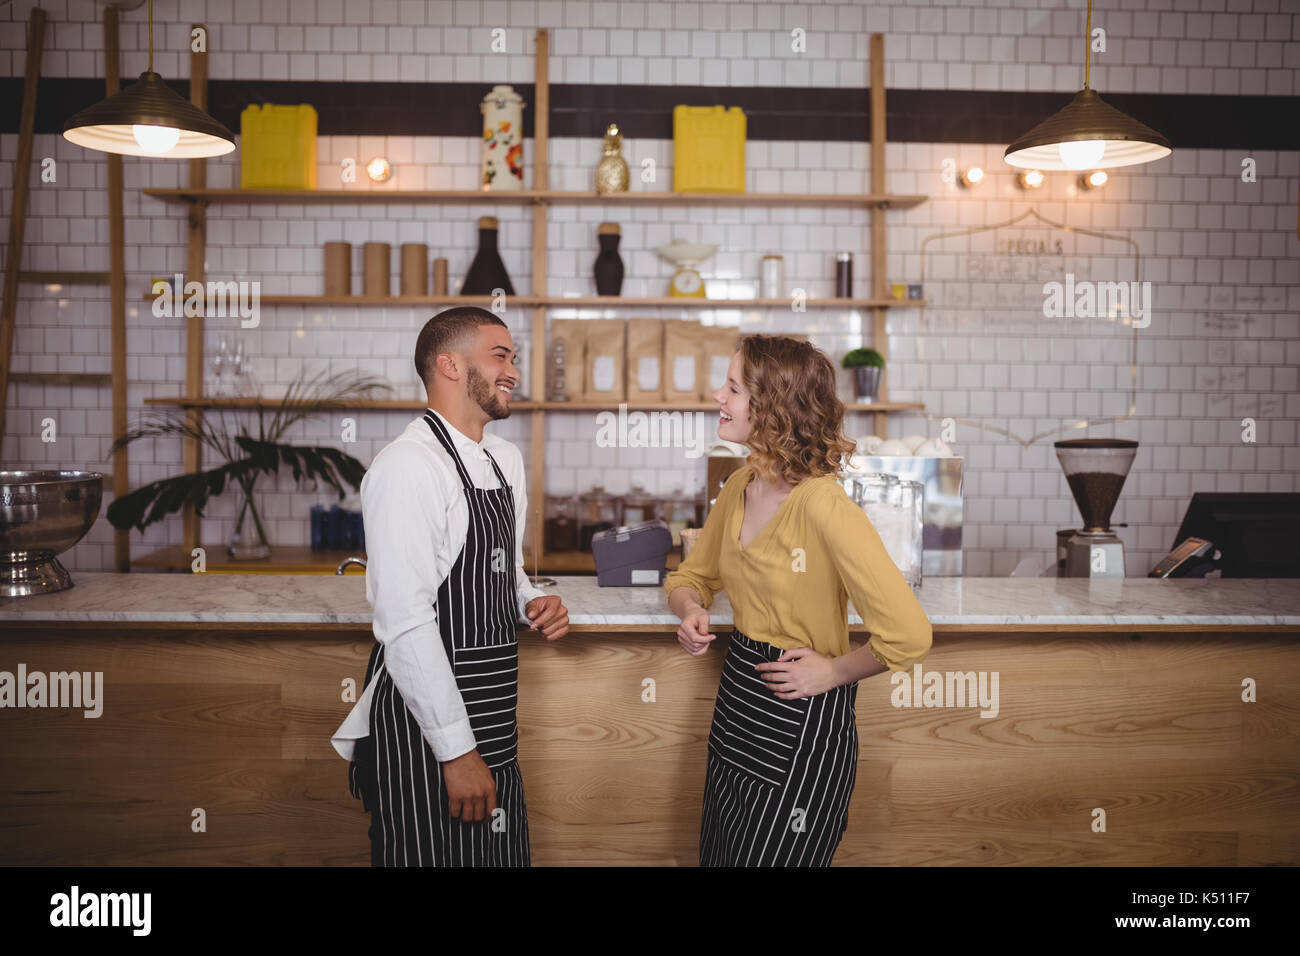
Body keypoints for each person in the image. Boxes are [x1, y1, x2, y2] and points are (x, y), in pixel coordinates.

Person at [664, 333, 932, 866]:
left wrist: (833, 672)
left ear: (771, 408)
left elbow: (909, 634)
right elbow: (690, 575)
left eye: (734, 388)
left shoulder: (823, 504)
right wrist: (692, 609)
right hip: (738, 698)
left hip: (802, 715)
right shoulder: (740, 486)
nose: (718, 395)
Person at [331, 306, 570, 866]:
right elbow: (405, 620)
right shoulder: (407, 467)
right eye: (500, 356)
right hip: (425, 733)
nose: (513, 371)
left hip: (492, 719)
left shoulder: (505, 460)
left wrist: (529, 599)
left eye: (514, 358)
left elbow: (503, 571)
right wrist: (456, 751)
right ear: (450, 365)